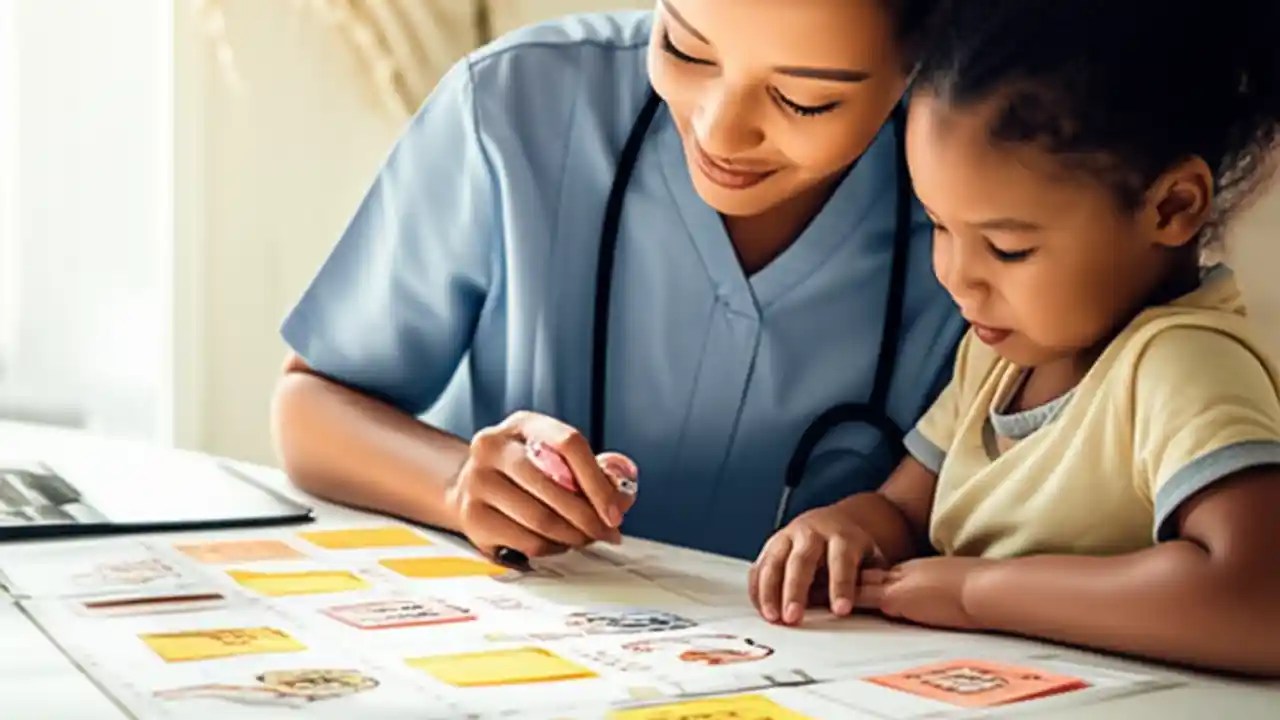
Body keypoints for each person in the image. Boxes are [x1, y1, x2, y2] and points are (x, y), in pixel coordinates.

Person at [272, 0, 963, 563]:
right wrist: (455, 484)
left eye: (803, 100)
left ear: (916, 67)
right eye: (686, 49)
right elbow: (310, 407)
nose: (720, 131)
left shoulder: (985, 207)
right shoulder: (517, 106)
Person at [751, 0, 1280, 677]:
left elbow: (1259, 598)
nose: (956, 277)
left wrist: (976, 592)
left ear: (1172, 206)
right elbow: (902, 508)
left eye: (1006, 248)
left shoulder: (1180, 362)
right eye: (939, 226)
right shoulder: (997, 358)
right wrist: (844, 528)